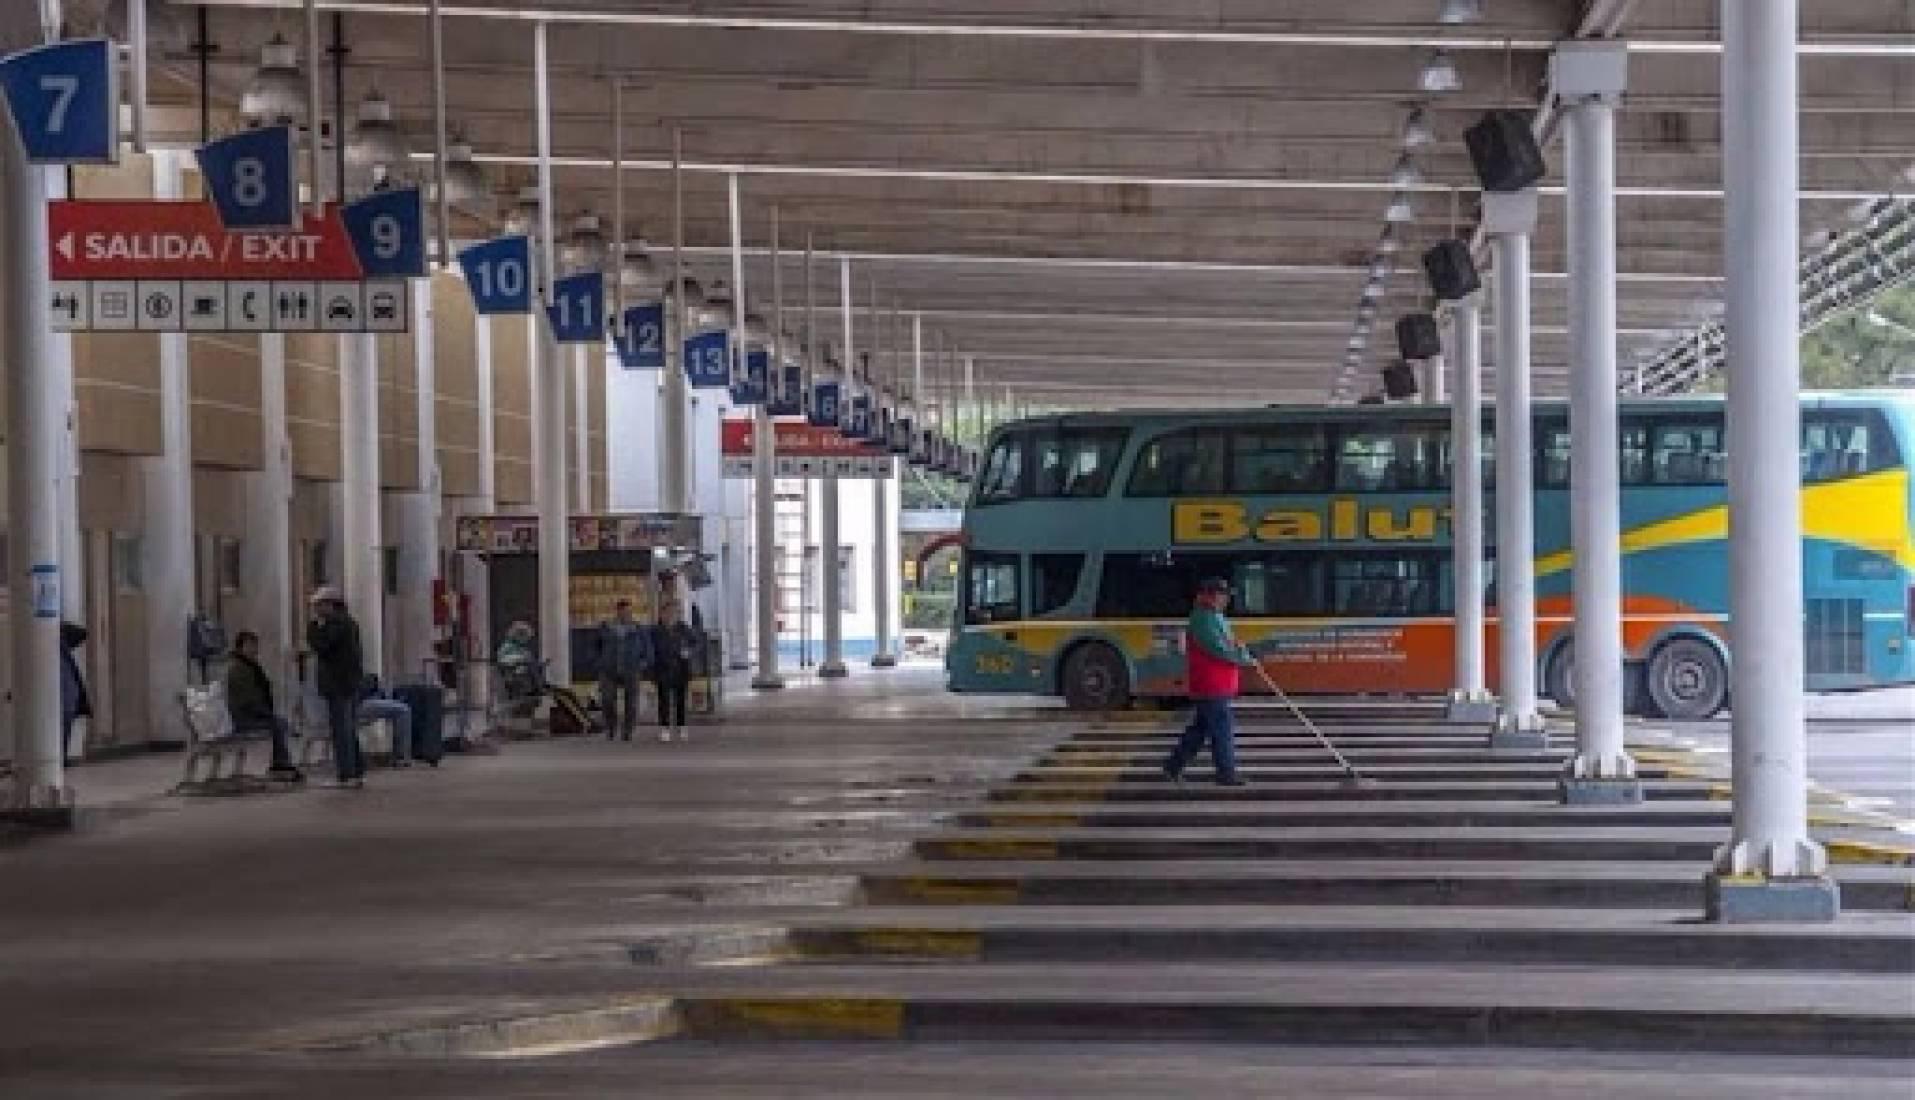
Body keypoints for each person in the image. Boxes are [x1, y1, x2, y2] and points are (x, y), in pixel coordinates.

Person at [1162, 577, 1259, 787]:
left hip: (1216, 682)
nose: (1227, 600)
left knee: (1201, 729)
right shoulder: (1204, 619)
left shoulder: (1214, 616)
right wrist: (1244, 659)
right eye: (1223, 595)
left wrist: (1241, 650)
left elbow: (1226, 643)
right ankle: (1226, 773)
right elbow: (1218, 648)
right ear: (1212, 595)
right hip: (1211, 683)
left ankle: (1173, 765)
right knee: (1222, 728)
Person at [306, 586, 368, 789]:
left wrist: (313, 628)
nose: (316, 611)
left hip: (338, 684)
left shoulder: (335, 625)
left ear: (330, 605)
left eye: (318, 606)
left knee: (341, 730)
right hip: (349, 683)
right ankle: (356, 771)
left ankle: (346, 774)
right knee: (348, 728)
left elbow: (321, 646)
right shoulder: (349, 622)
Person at [225, 630, 301, 781]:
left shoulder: (250, 666)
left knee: (279, 723)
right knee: (278, 724)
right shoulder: (239, 669)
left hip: (253, 713)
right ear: (241, 647)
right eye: (250, 645)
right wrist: (266, 713)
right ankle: (281, 765)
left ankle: (281, 763)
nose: (254, 649)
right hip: (243, 718)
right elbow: (246, 700)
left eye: (255, 645)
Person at [597, 599, 652, 742]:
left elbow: (648, 648)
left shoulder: (638, 629)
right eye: (623, 611)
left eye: (628, 612)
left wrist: (643, 663)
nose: (625, 614)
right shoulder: (606, 627)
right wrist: (599, 662)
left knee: (631, 701)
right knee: (607, 699)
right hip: (609, 669)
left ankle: (628, 730)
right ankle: (610, 727)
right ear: (617, 611)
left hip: (631, 669)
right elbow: (595, 645)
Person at [650, 601, 701, 742]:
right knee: (664, 700)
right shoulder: (655, 631)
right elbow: (650, 649)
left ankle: (682, 726)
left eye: (675, 612)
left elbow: (696, 643)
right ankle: (664, 728)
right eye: (669, 612)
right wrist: (651, 666)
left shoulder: (684, 628)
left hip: (681, 668)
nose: (671, 615)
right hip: (662, 669)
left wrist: (689, 651)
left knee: (681, 700)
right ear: (662, 614)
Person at [357, 675, 416, 767]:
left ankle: (400, 755)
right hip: (358, 702)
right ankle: (401, 756)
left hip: (358, 699)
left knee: (397, 703)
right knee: (404, 710)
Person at [59, 622, 91, 764]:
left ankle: (61, 759)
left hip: (67, 700)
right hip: (64, 700)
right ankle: (60, 759)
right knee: (60, 732)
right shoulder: (57, 653)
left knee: (63, 732)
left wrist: (56, 626)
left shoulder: (62, 649)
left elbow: (81, 633)